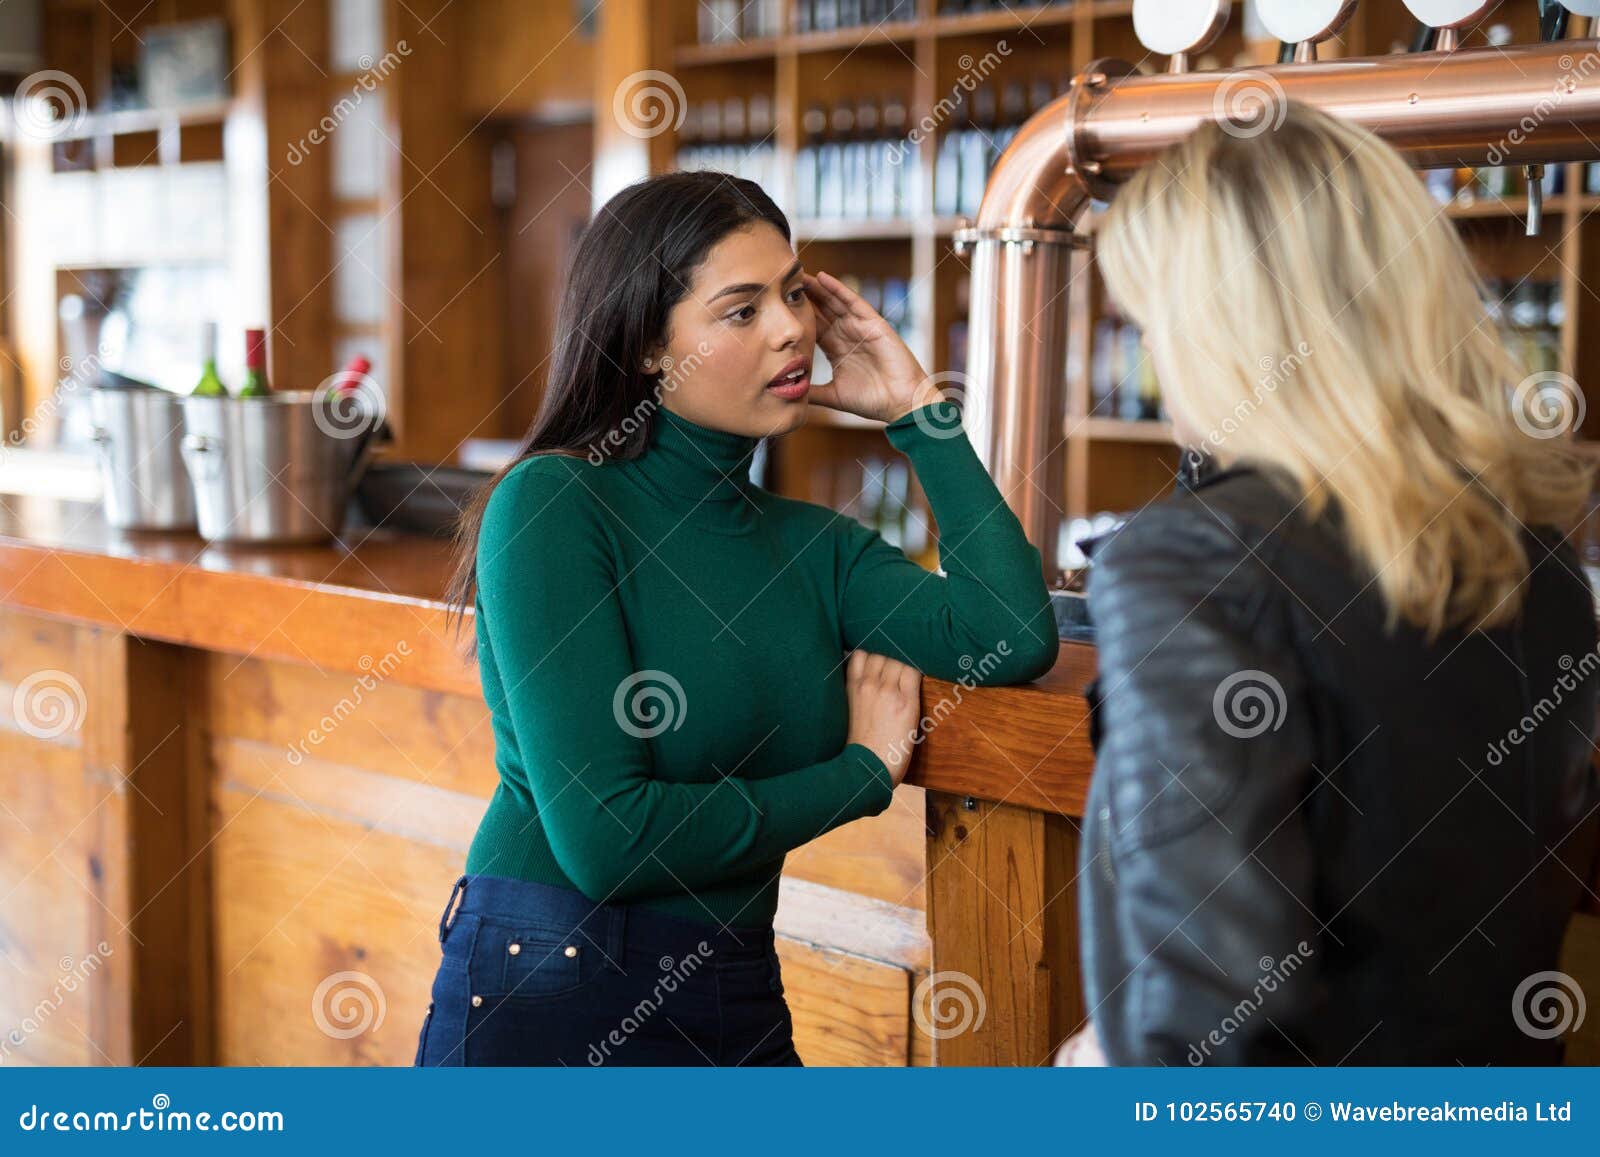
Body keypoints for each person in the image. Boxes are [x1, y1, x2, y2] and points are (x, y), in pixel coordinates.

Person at [416, 169, 1060, 1066]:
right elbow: (609, 839)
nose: (792, 327)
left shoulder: (812, 547)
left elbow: (1010, 635)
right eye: (742, 309)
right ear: (649, 347)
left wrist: (920, 415)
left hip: (732, 979)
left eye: (793, 293)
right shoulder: (555, 503)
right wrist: (860, 774)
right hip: (551, 979)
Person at [1062, 101, 1600, 1065]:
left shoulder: (1190, 559)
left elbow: (1212, 1014)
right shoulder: (1540, 552)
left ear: (1222, 329)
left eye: (1153, 320)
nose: (1154, 355)